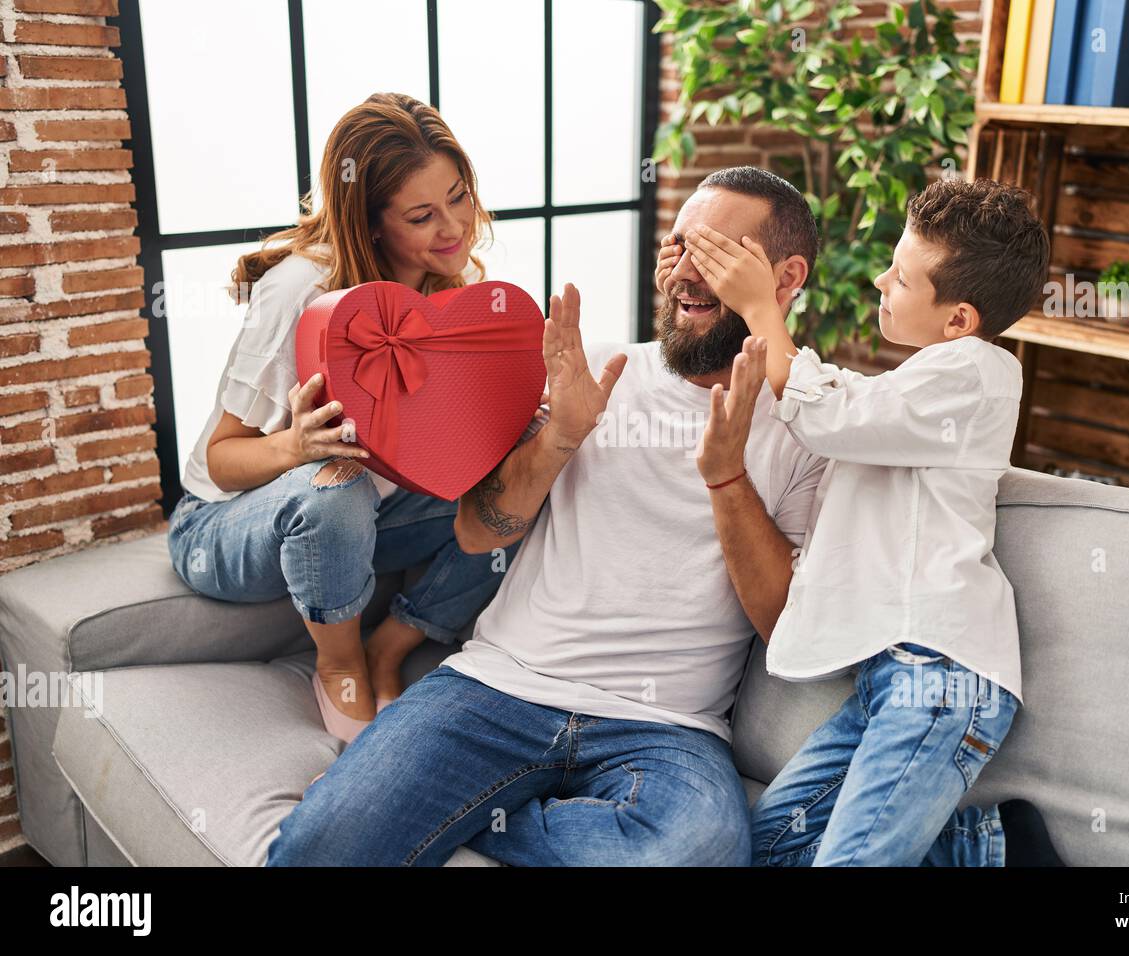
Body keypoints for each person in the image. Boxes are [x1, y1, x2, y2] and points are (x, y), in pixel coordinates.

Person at [265, 166, 828, 866]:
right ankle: (458, 803)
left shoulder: (815, 423)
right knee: (315, 850)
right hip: (500, 687)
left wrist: (727, 476)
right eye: (679, 247)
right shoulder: (591, 372)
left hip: (667, 728)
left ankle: (472, 816)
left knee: (699, 849)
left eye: (715, 255)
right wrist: (560, 436)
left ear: (785, 276)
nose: (686, 272)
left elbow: (783, 625)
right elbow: (478, 532)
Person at [677, 174, 1064, 866]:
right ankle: (989, 847)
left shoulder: (978, 375)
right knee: (767, 848)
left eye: (904, 278)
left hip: (941, 679)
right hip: (891, 682)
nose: (882, 282)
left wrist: (764, 313)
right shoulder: (911, 391)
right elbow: (848, 407)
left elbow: (834, 415)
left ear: (959, 321)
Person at [166, 92, 540, 746]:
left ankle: (388, 646)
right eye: (422, 215)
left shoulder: (446, 286)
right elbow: (222, 461)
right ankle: (338, 664)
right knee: (338, 482)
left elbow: (442, 447)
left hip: (369, 514)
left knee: (536, 467)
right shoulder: (298, 290)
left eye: (458, 196)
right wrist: (293, 446)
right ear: (369, 222)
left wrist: (521, 418)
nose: (453, 226)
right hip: (225, 526)